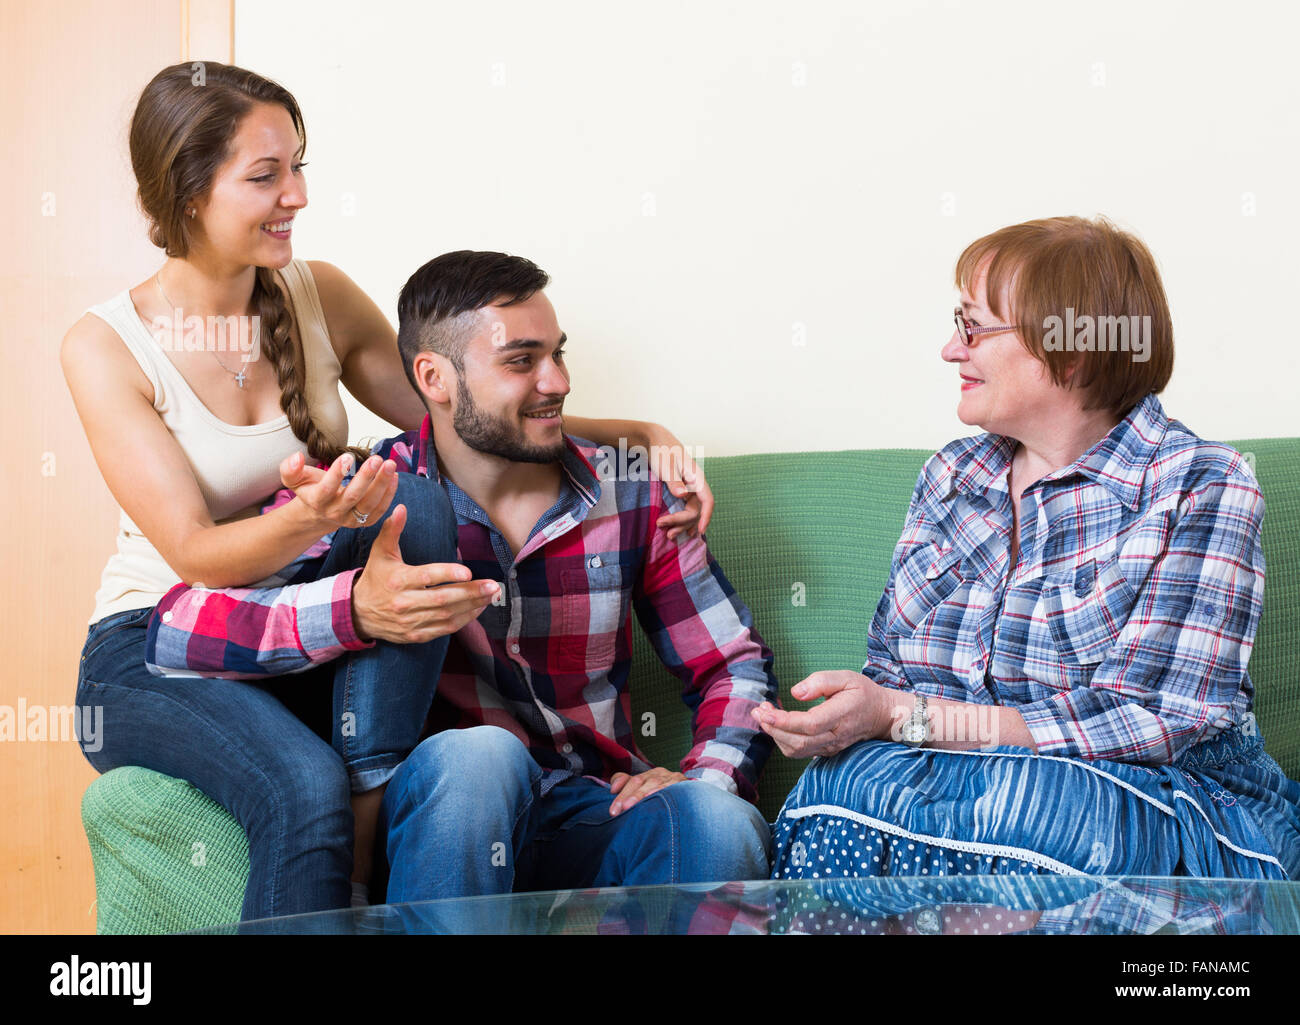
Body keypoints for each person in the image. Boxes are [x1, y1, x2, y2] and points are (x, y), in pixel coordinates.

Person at [66, 61, 714, 921]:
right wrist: (313, 517)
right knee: (300, 783)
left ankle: (373, 786)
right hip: (159, 641)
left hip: (302, 623)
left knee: (420, 500)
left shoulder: (318, 294)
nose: (296, 194)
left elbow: (458, 416)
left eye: (299, 165)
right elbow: (194, 553)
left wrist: (639, 439)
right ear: (190, 191)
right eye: (267, 176)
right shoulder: (106, 345)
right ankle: (355, 822)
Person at [146, 250, 778, 900]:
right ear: (435, 378)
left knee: (719, 820)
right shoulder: (374, 493)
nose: (557, 381)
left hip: (597, 807)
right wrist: (357, 608)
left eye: (558, 354)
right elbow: (175, 628)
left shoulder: (635, 492)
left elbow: (732, 663)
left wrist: (708, 776)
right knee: (480, 755)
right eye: (521, 360)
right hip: (446, 819)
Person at [756, 216, 1300, 893]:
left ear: (1069, 349)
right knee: (833, 795)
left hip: (1142, 796)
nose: (951, 349)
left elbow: (1145, 726)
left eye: (975, 328)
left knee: (1052, 815)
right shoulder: (949, 478)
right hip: (961, 791)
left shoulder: (1199, 485)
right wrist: (854, 714)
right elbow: (892, 673)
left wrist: (900, 715)